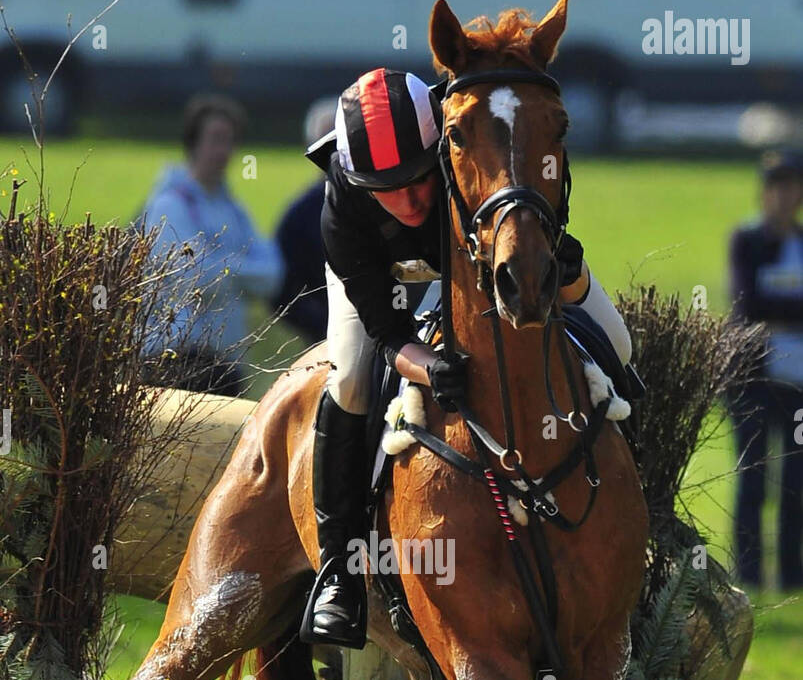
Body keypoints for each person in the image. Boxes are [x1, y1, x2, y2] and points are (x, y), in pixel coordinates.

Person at [300, 67, 634, 649]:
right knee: (352, 379)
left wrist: (562, 271)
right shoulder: (345, 204)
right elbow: (385, 332)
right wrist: (430, 368)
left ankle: (633, 519)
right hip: (384, 276)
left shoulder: (473, 146)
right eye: (388, 188)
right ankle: (339, 573)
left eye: (417, 180)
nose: (407, 199)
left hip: (475, 250)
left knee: (620, 344)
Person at [141, 93, 284, 396]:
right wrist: (236, 268)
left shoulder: (234, 210)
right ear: (193, 143)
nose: (224, 150)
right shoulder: (170, 204)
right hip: (172, 360)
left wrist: (221, 263)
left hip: (226, 364)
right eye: (216, 139)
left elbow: (271, 274)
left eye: (230, 141)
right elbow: (192, 275)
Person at [728, 150, 803, 589]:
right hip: (753, 381)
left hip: (798, 386)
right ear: (765, 193)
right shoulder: (748, 241)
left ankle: (792, 575)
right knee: (752, 480)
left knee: (795, 483)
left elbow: (763, 304)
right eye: (777, 187)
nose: (785, 197)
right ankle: (750, 574)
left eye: (792, 187)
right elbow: (747, 304)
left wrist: (778, 310)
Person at [272, 97, 338, 344]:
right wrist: (323, 324)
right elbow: (281, 286)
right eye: (325, 140)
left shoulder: (382, 200)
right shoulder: (299, 215)